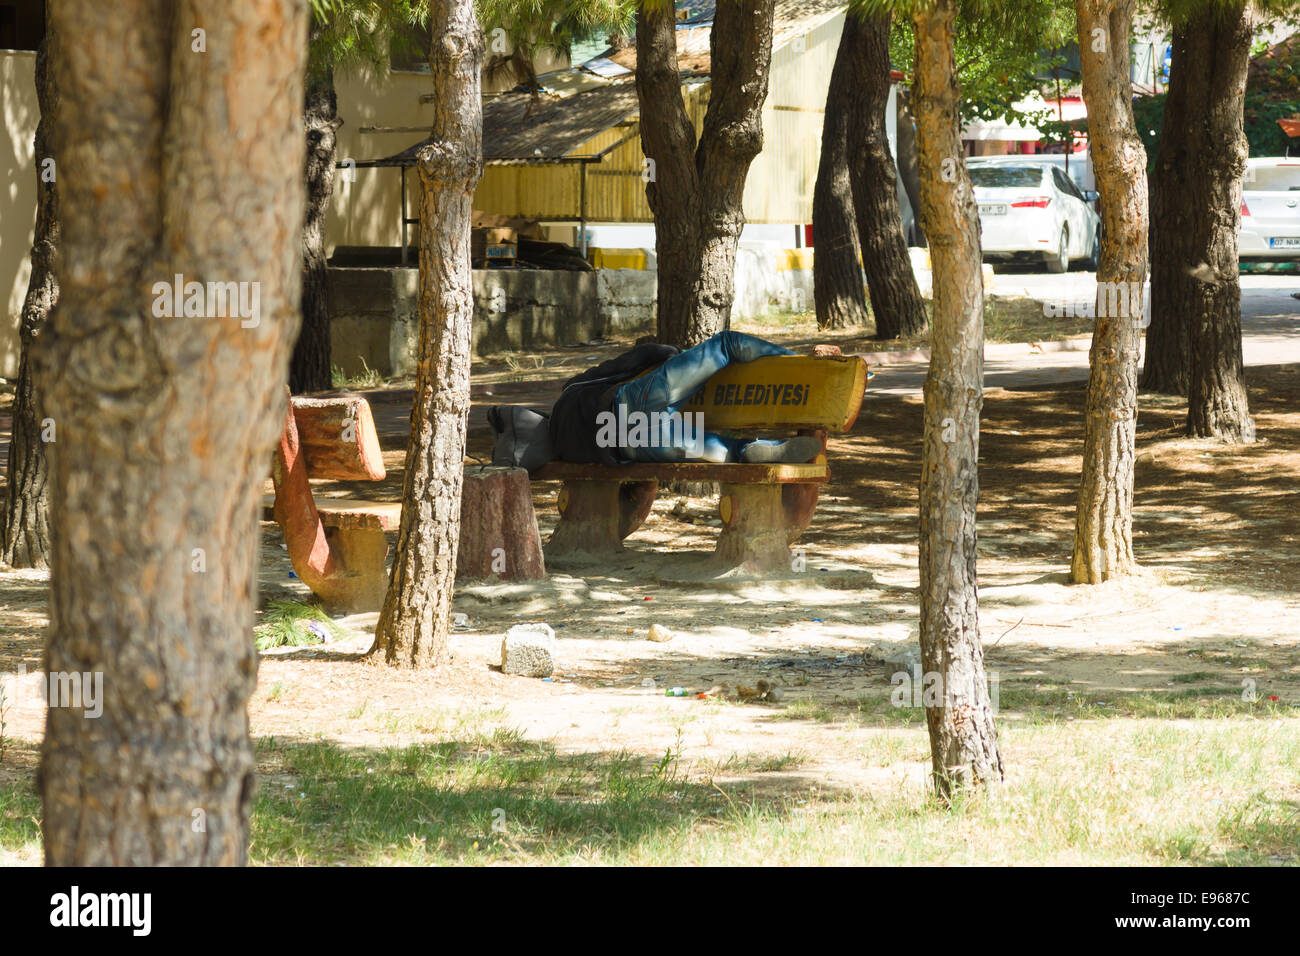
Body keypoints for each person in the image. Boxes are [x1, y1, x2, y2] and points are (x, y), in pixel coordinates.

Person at [548, 330, 826, 465]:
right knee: (727, 344)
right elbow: (648, 354)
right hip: (630, 405)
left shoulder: (563, 444)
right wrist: (672, 356)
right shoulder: (574, 389)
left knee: (724, 450)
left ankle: (745, 450)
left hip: (625, 446)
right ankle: (800, 366)